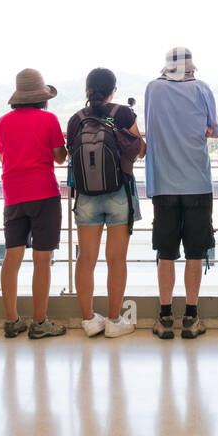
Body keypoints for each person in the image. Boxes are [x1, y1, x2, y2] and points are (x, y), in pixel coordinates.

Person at [143, 46, 218, 341]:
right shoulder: (202, 89)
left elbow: (150, 125)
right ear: (192, 67)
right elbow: (212, 129)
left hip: (163, 184)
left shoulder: (153, 89)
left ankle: (164, 317)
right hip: (197, 182)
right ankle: (191, 317)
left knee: (165, 252)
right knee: (195, 253)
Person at [65, 68, 145, 339]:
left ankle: (89, 319)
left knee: (85, 258)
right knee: (116, 259)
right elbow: (140, 149)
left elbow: (70, 155)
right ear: (113, 89)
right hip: (120, 191)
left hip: (86, 194)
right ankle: (114, 320)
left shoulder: (76, 119)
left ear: (87, 89)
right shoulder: (124, 113)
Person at [0, 69, 68, 339]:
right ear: (41, 97)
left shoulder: (3, 122)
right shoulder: (48, 119)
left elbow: (3, 155)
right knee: (41, 259)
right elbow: (60, 157)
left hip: (13, 194)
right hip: (44, 193)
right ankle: (39, 322)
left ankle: (12, 320)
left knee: (12, 257)